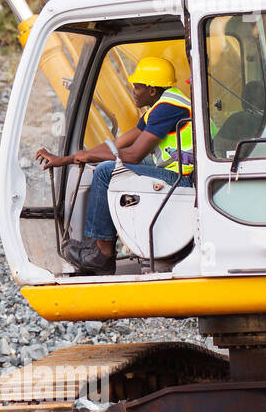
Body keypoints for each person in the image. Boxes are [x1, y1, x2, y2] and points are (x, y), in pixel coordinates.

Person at [34, 55, 194, 275]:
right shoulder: (160, 107)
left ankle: (102, 252)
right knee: (105, 163)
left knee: (105, 172)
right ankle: (94, 244)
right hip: (173, 170)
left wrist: (91, 158)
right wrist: (69, 159)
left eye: (137, 87)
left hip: (183, 179)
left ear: (152, 90)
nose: (133, 92)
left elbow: (134, 155)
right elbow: (116, 145)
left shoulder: (168, 108)